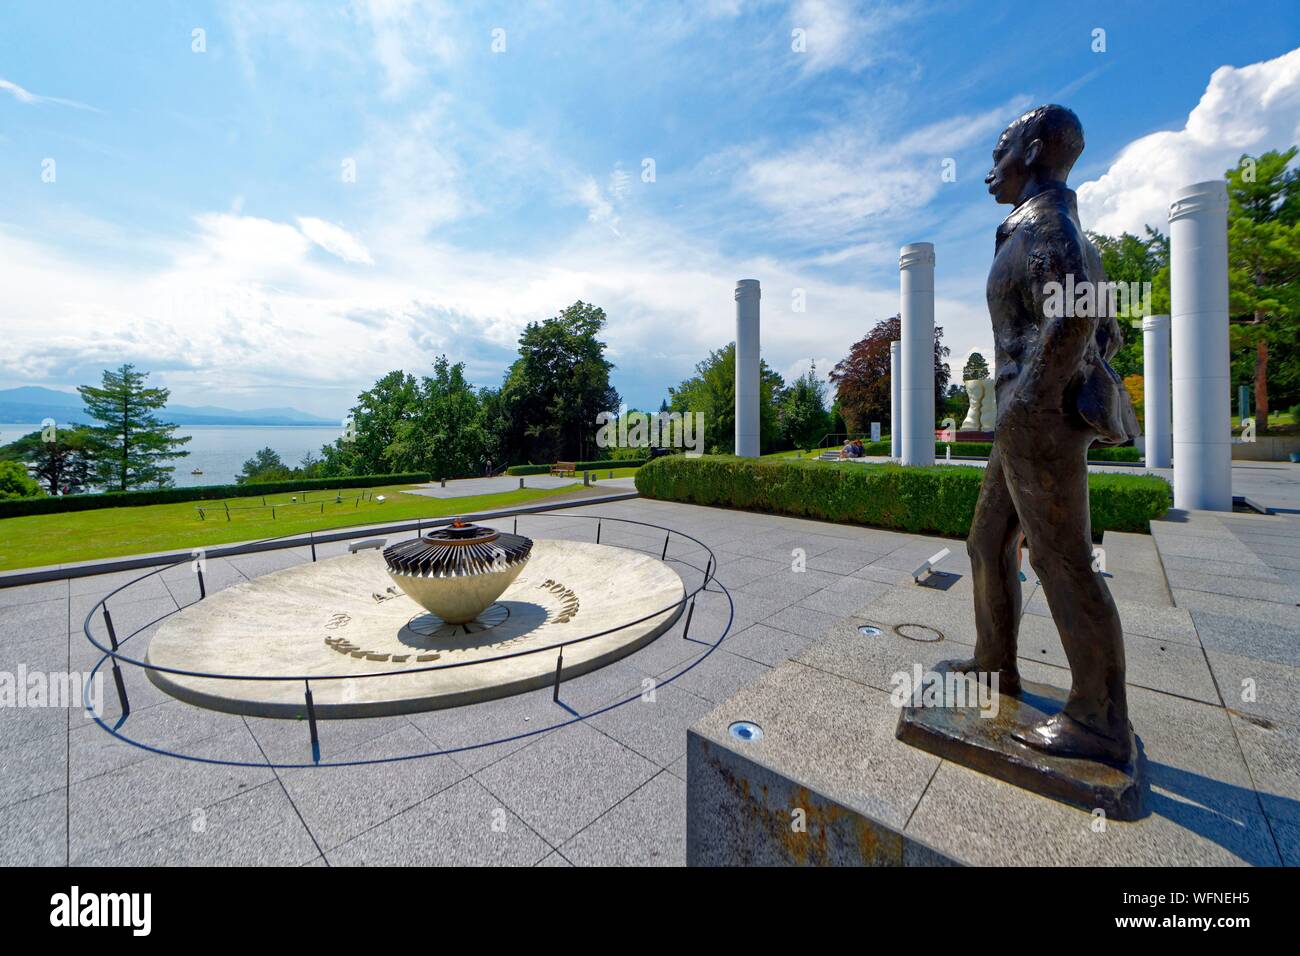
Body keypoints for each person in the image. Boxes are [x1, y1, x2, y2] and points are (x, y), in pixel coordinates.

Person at [946, 104, 1139, 764]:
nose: (988, 172)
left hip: (1037, 419)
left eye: (998, 154)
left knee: (1062, 560)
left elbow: (1077, 322)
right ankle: (995, 663)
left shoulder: (1047, 223)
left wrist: (1028, 402)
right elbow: (1105, 327)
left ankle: (1100, 719)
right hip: (1022, 418)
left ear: (1029, 151)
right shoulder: (1051, 225)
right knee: (985, 542)